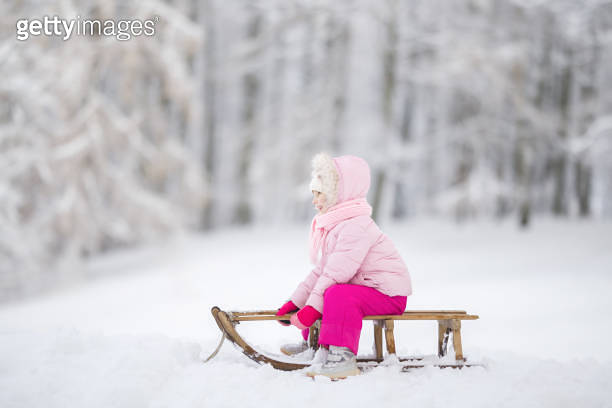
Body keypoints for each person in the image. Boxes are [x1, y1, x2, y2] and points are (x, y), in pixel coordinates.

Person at [276, 153, 412, 379]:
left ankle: (343, 357)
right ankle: (317, 345)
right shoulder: (338, 225)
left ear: (338, 194)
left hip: (388, 293)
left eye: (319, 193)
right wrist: (296, 302)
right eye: (313, 193)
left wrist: (311, 309)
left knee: (338, 294)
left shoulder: (356, 226)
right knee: (327, 291)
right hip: (369, 289)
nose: (314, 200)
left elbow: (338, 273)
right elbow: (322, 271)